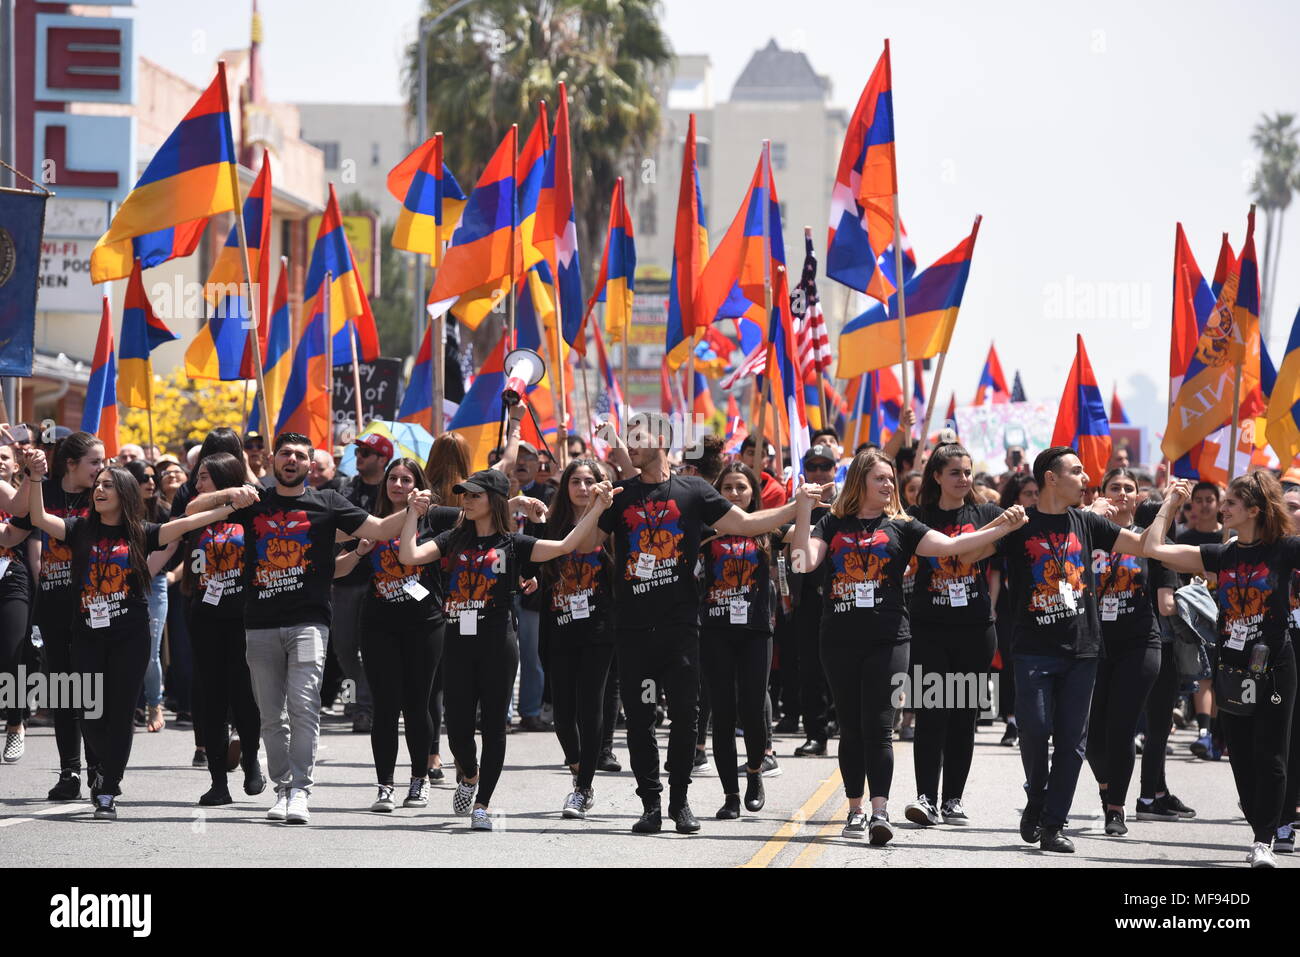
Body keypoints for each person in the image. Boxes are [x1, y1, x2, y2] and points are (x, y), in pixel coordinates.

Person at [593, 412, 821, 835]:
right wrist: (597, 505)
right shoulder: (621, 495)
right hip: (633, 631)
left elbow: (748, 523)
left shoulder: (694, 490)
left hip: (680, 629)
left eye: (636, 437)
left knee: (685, 716)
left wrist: (798, 504)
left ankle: (679, 801)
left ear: (662, 440)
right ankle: (650, 804)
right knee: (641, 719)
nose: (627, 445)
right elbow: (588, 542)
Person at [792, 447, 1026, 845]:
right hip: (839, 640)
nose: (888, 484)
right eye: (880, 478)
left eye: (890, 479)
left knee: (880, 728)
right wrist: (802, 509)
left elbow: (953, 549)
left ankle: (880, 812)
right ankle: (855, 810)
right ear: (860, 481)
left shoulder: (903, 525)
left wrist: (1002, 525)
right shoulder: (831, 523)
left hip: (890, 639)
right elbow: (801, 563)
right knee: (851, 729)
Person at [185, 431, 414, 826]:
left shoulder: (328, 503)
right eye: (286, 454)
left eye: (301, 456)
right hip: (258, 624)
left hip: (309, 622)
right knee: (272, 716)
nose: (293, 460)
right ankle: (282, 788)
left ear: (311, 465)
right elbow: (192, 509)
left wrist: (415, 509)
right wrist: (229, 495)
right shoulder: (255, 502)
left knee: (304, 708)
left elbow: (377, 530)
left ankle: (301, 791)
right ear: (275, 460)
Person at [23, 451, 247, 819]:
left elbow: (188, 522)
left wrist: (229, 505)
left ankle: (108, 790)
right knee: (90, 712)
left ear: (124, 493)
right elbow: (38, 518)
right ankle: (101, 768)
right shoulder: (79, 529)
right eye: (97, 484)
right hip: (87, 635)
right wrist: (34, 478)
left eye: (108, 485)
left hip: (130, 636)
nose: (99, 489)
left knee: (122, 712)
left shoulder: (143, 533)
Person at [400, 468, 612, 830]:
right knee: (460, 731)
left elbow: (564, 546)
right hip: (457, 643)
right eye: (463, 494)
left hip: (498, 644)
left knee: (494, 727)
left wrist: (597, 508)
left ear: (492, 501)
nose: (466, 500)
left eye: (474, 495)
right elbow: (409, 554)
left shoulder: (514, 544)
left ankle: (482, 804)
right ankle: (469, 774)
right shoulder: (452, 538)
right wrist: (411, 515)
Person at [1145, 474, 1298, 868]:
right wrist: (1170, 504)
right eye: (1225, 501)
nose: (1222, 507)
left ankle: (1266, 837)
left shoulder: (1286, 550)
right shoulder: (1219, 555)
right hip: (1232, 670)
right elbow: (1153, 547)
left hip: (1276, 668)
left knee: (1272, 755)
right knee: (1241, 757)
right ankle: (1258, 824)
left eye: (1231, 502)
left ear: (1254, 510)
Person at [998, 446, 1146, 853]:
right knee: (1036, 731)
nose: (1085, 479)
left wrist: (1167, 506)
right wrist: (998, 525)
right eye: (1077, 471)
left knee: (1071, 743)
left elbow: (1145, 546)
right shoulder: (1020, 526)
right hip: (1032, 649)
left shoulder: (1088, 523)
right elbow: (973, 553)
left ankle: (1052, 825)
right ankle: (1037, 795)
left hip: (1082, 650)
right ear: (1050, 477)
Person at [333, 457, 458, 813]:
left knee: (417, 704)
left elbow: (479, 516)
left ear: (418, 485)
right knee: (385, 708)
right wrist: (359, 550)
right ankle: (385, 785)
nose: (399, 485)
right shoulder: (369, 522)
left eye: (406, 479)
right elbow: (336, 571)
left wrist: (514, 503)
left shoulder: (435, 517)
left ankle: (419, 780)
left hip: (426, 623)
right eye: (393, 479)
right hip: (378, 624)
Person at [902, 444, 1005, 828]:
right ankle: (926, 798)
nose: (964, 479)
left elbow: (1022, 533)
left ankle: (953, 801)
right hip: (929, 629)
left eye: (968, 472)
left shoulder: (986, 514)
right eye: (955, 472)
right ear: (936, 476)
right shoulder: (918, 516)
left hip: (976, 631)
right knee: (932, 715)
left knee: (963, 717)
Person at [1083, 468, 1179, 836]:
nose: (1122, 493)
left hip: (1140, 643)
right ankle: (1108, 787)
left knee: (1121, 728)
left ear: (1139, 496)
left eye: (1129, 488)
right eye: (1114, 487)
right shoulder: (1085, 531)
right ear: (1101, 492)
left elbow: (1167, 593)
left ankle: (1115, 809)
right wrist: (1090, 516)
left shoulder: (1149, 539)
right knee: (1090, 735)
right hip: (1092, 643)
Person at [18, 431, 103, 800]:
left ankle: (100, 770)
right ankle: (70, 771)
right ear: (71, 464)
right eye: (95, 462)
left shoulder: (102, 495)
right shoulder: (46, 492)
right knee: (65, 692)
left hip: (96, 608)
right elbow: (14, 530)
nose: (102, 469)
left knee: (93, 692)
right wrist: (30, 476)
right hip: (53, 607)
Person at [180, 452, 265, 805]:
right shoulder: (198, 511)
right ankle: (218, 781)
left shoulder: (250, 512)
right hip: (203, 616)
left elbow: (261, 493)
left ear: (223, 475)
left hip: (243, 617)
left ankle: (251, 761)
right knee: (211, 699)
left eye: (203, 476)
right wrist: (221, 494)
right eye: (197, 476)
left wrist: (242, 488)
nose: (196, 482)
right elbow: (190, 507)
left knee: (244, 697)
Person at [699, 463, 779, 819]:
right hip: (715, 630)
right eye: (727, 487)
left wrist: (807, 503)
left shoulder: (766, 527)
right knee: (723, 711)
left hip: (756, 630)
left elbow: (805, 533)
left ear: (752, 492)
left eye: (741, 487)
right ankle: (730, 794)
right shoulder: (705, 530)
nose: (734, 493)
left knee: (752, 707)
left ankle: (754, 775)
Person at [538, 458, 616, 819]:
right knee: (563, 715)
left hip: (599, 630)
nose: (583, 488)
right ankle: (577, 768)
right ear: (566, 487)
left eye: (590, 481)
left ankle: (582, 789)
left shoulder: (610, 525)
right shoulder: (551, 526)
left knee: (590, 707)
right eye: (576, 482)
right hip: (559, 628)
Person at [332, 433, 393, 735]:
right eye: (358, 451)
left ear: (383, 459)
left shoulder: (393, 491)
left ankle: (363, 707)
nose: (359, 457)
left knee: (371, 649)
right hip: (345, 580)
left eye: (367, 452)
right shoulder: (343, 488)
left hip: (379, 580)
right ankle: (354, 698)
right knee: (344, 649)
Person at [785, 445, 838, 757]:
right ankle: (816, 734)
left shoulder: (847, 505)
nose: (819, 472)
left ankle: (843, 725)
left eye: (825, 466)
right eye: (812, 466)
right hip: (806, 598)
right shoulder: (796, 506)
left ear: (834, 470)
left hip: (841, 600)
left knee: (842, 669)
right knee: (810, 670)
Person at [1179, 480, 1226, 760]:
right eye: (1200, 499)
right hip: (1196, 620)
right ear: (1193, 504)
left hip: (1228, 615)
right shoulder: (1184, 539)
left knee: (1223, 678)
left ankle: (1221, 734)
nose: (1205, 504)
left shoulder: (1230, 539)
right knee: (1204, 676)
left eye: (1211, 499)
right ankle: (1204, 733)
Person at [124, 460, 171, 733]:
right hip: (119, 586)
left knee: (150, 653)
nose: (151, 483)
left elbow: (171, 543)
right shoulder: (119, 512)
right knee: (125, 651)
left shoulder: (163, 511)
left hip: (154, 586)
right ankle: (128, 707)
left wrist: (142, 575)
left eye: (154, 477)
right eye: (144, 478)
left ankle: (155, 704)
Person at [993, 470, 1038, 746]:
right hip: (1009, 608)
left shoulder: (1049, 523)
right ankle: (1011, 721)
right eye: (1027, 494)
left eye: (1036, 493)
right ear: (1015, 498)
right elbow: (996, 570)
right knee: (1009, 665)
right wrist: (992, 607)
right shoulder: (1007, 527)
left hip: (1041, 605)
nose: (1033, 498)